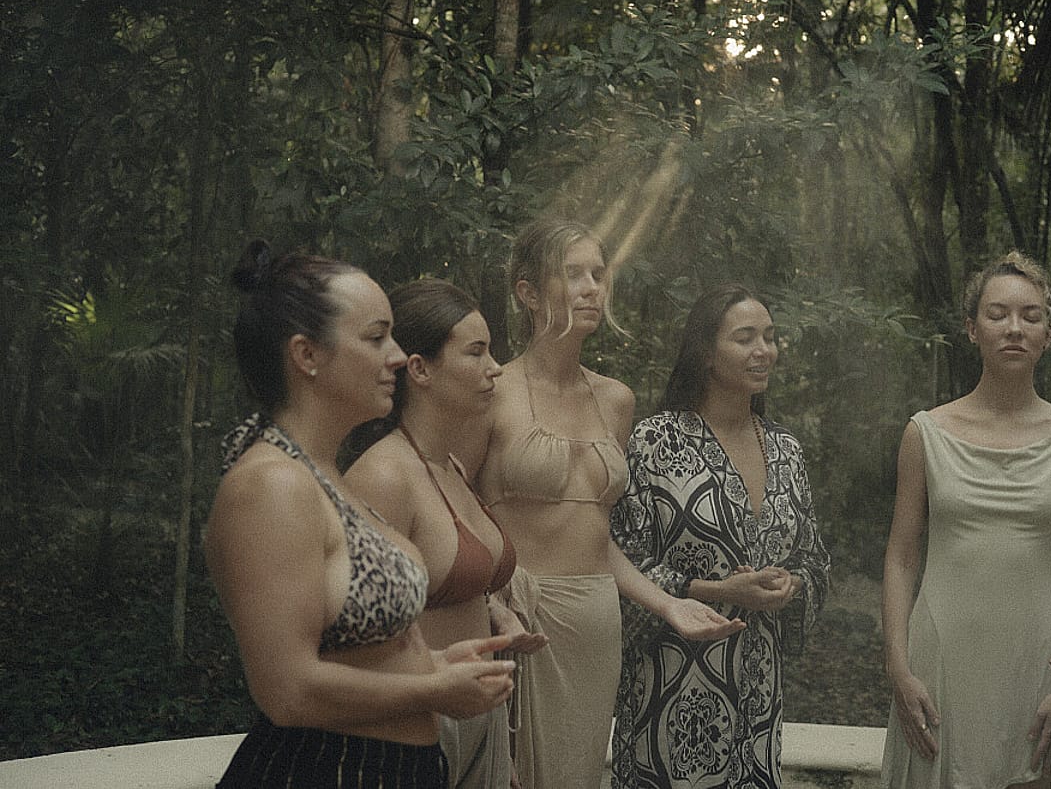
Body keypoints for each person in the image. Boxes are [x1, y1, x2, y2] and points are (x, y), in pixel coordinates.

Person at [206, 242, 516, 788]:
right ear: (307, 356)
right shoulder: (271, 484)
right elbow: (287, 689)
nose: (397, 356)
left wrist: (436, 664)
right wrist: (433, 690)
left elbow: (357, 652)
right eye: (376, 338)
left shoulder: (327, 477)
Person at [467, 219, 745, 789]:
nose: (594, 287)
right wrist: (490, 599)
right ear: (528, 292)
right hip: (517, 616)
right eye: (574, 275)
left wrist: (668, 604)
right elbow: (455, 507)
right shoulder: (490, 391)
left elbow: (597, 538)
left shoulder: (616, 400)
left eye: (599, 273)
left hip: (596, 620)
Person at [880, 251, 1051, 789]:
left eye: (1031, 316)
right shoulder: (925, 433)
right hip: (940, 662)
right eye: (997, 314)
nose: (1014, 329)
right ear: (971, 329)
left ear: (1049, 334)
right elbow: (902, 557)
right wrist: (898, 667)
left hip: (1037, 667)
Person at [609, 283, 831, 788]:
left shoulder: (786, 449)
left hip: (760, 690)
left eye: (770, 337)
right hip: (672, 686)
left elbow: (815, 560)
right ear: (706, 354)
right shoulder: (655, 441)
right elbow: (621, 559)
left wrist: (793, 586)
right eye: (745, 338)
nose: (763, 351)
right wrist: (715, 592)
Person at [341, 279, 548, 789]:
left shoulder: (450, 464)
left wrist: (494, 610)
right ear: (420, 369)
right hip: (417, 722)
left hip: (480, 717)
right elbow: (347, 633)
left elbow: (450, 576)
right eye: (475, 352)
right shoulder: (385, 476)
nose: (494, 367)